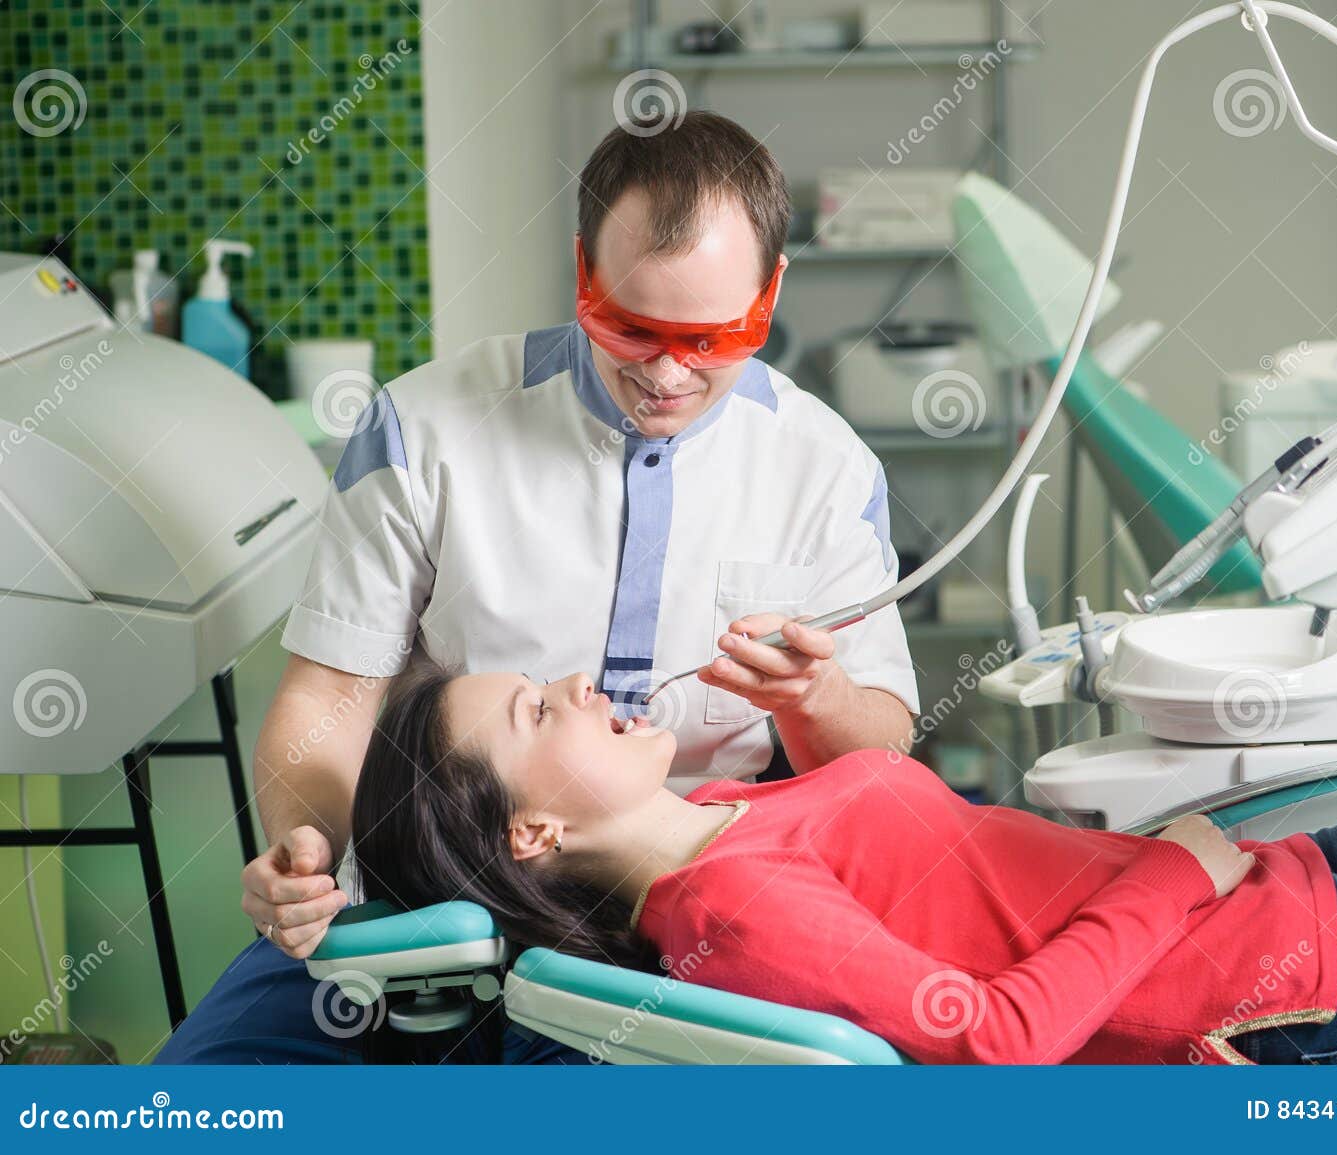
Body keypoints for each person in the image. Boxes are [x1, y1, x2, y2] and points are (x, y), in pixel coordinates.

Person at [158, 111, 919, 1063]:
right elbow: (330, 697)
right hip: (429, 907)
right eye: (634, 328)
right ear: (582, 273)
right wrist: (305, 845)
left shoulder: (824, 470)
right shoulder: (423, 429)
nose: (670, 373)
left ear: (772, 291)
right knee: (200, 1091)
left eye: (716, 337)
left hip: (699, 911)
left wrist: (819, 696)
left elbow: (881, 751)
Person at [349, 664, 1337, 1065]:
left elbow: (921, 871)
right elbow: (995, 1040)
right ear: (531, 836)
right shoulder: (728, 907)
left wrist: (818, 700)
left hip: (1256, 894)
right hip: (1272, 977)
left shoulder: (723, 811)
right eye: (533, 716)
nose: (573, 683)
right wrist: (1171, 873)